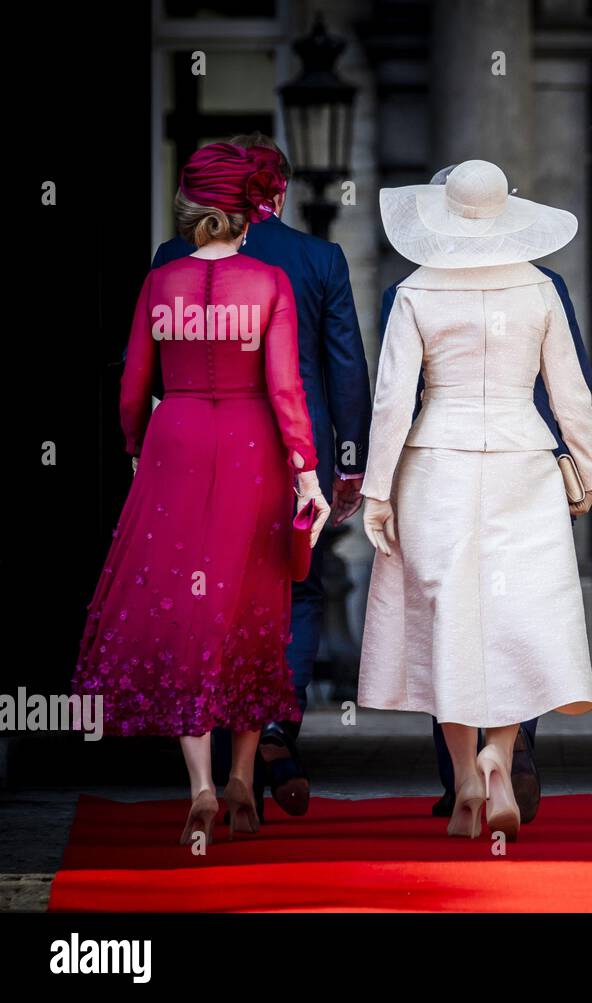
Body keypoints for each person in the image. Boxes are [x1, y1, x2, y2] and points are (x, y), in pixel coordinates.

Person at [72, 142, 331, 844]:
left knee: (188, 614)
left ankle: (201, 787)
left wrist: (134, 447)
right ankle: (246, 778)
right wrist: (307, 471)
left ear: (189, 209)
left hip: (175, 438)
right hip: (254, 446)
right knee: (251, 609)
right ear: (250, 210)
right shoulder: (270, 282)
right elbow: (286, 389)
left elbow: (132, 388)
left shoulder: (160, 284)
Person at [358, 159, 592, 841]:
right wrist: (587, 469)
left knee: (450, 616)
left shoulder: (416, 289)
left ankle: (467, 775)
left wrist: (377, 489)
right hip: (523, 461)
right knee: (514, 611)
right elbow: (571, 391)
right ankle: (500, 752)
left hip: (434, 460)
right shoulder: (541, 289)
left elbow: (391, 403)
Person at [152, 133, 372, 819]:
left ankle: (209, 767)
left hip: (195, 457)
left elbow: (157, 368)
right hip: (290, 455)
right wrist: (349, 464)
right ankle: (276, 726)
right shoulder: (318, 258)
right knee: (295, 594)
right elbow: (344, 368)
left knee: (204, 599)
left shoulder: (169, 259)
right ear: (276, 192)